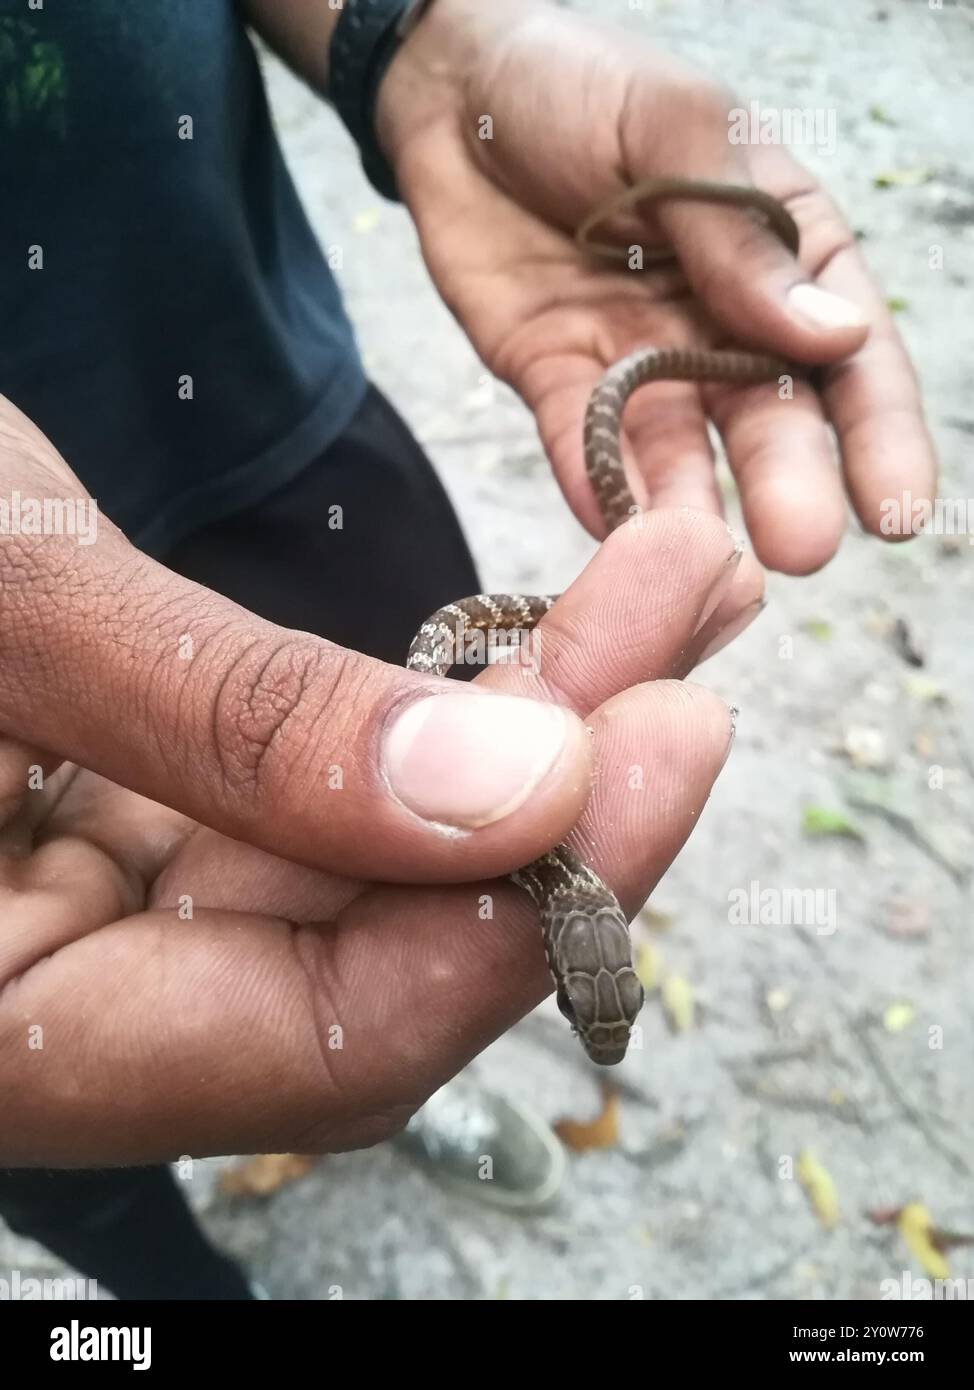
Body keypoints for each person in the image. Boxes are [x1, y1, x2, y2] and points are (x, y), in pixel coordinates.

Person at [0, 0, 933, 1298]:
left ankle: (395, 1087)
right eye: (591, 994)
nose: (594, 1013)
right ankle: (162, 1277)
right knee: (67, 1052)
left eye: (585, 998)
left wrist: (414, 42)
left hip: (270, 405)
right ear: (576, 931)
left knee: (399, 795)